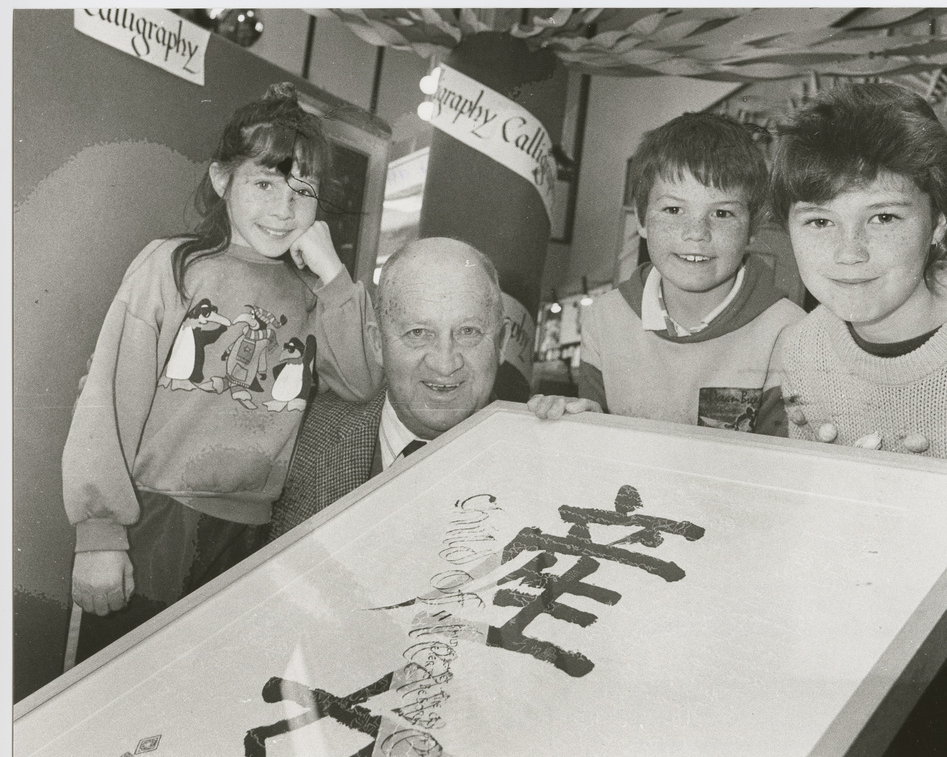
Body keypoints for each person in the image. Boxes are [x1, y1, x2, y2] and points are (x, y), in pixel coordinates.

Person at [63, 83, 384, 661]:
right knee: (116, 701)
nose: (284, 209)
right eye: (264, 183)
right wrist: (99, 534)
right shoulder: (173, 264)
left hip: (250, 534)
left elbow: (361, 382)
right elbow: (104, 404)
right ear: (221, 180)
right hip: (157, 520)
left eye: (302, 191)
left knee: (198, 711)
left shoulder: (314, 293)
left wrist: (336, 275)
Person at [761, 82, 947, 757]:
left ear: (938, 224)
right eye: (818, 221)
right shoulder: (802, 350)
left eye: (883, 219)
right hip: (860, 666)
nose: (847, 253)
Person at [529, 112, 804, 425]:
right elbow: (598, 438)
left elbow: (782, 462)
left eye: (723, 214)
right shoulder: (604, 318)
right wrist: (586, 421)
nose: (696, 232)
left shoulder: (790, 331)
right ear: (643, 219)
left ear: (752, 228)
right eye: (673, 209)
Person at [270, 237, 509, 537]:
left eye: (468, 331)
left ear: (501, 342)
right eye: (418, 333)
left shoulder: (543, 459)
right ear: (377, 343)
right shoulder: (300, 438)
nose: (445, 363)